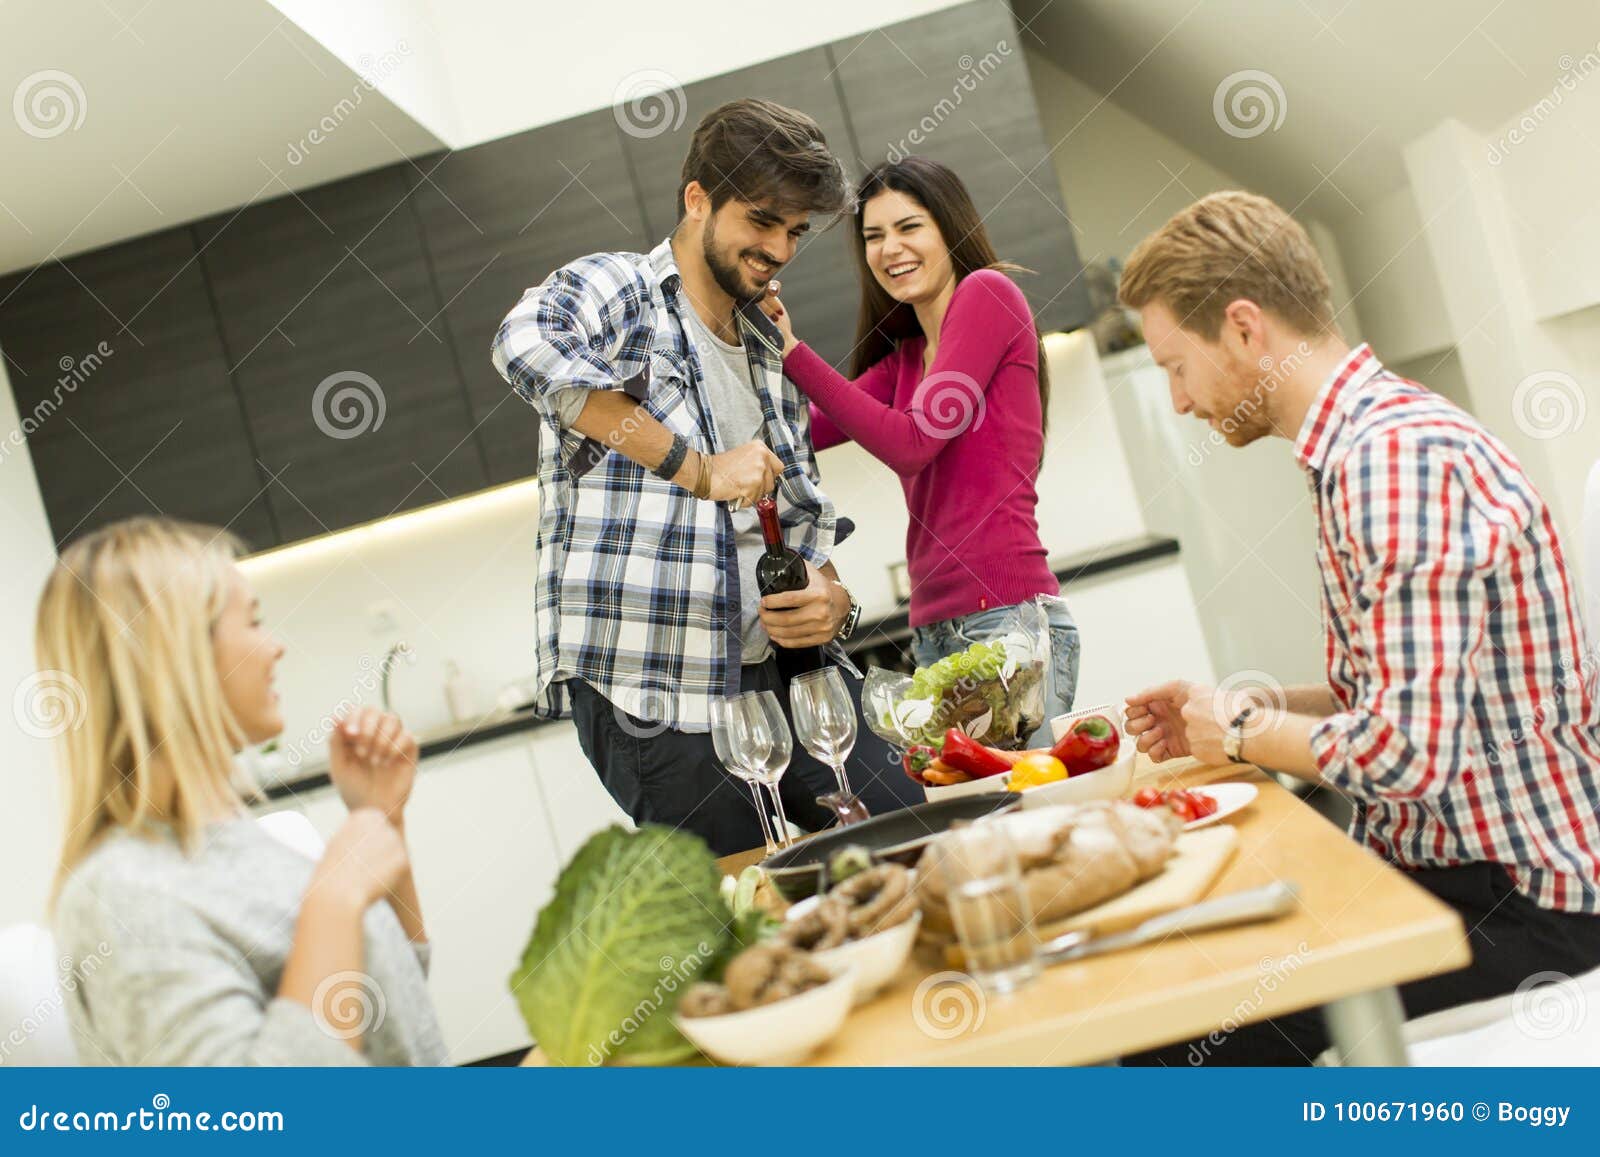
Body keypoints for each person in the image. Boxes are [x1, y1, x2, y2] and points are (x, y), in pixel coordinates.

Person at [1113, 191, 1600, 1065]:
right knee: (1187, 984)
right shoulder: (1360, 448)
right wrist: (1235, 707)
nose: (1179, 400)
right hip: (1458, 876)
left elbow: (1404, 754)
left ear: (1244, 328)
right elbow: (1391, 692)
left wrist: (1244, 730)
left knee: (1177, 1044)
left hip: (1528, 910)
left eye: (1177, 366)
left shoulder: (1390, 461)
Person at [492, 98, 922, 857]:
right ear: (698, 198)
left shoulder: (765, 337)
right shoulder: (620, 290)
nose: (779, 248)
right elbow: (525, 348)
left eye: (795, 232)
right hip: (658, 689)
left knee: (909, 829)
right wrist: (696, 469)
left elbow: (801, 517)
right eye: (762, 221)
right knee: (745, 908)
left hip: (791, 672)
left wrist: (834, 599)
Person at [44, 517, 446, 1065]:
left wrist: (382, 818)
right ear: (178, 655)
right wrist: (336, 893)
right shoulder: (120, 895)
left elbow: (395, 1012)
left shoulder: (240, 843)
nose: (275, 647)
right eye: (253, 622)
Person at [761, 156, 1079, 747]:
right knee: (981, 828)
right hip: (934, 631)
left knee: (1026, 819)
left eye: (909, 227)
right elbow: (800, 434)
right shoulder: (905, 361)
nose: (889, 249)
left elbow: (913, 444)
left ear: (948, 229)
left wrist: (792, 351)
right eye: (873, 236)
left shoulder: (990, 296)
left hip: (1005, 621)